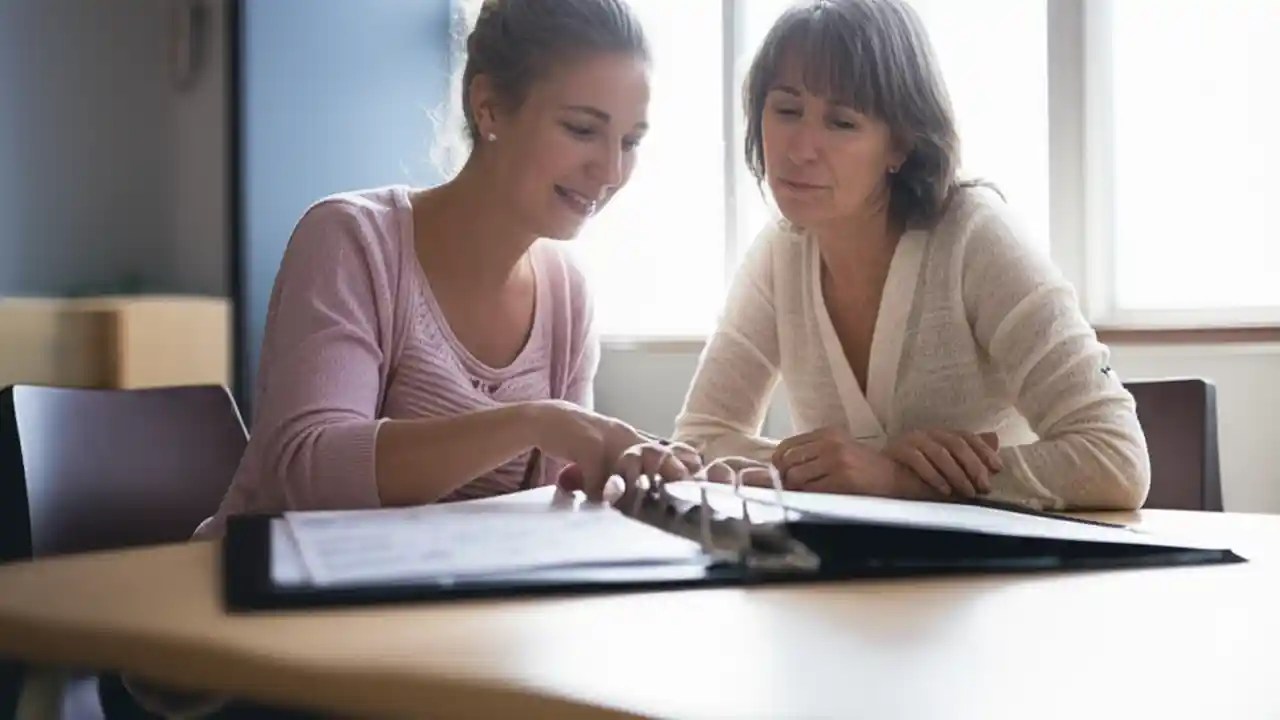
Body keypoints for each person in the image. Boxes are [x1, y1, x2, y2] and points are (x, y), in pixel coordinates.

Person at [195, 0, 697, 538]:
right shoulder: (352, 240)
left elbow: (554, 513)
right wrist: (536, 421)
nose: (611, 170)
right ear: (490, 109)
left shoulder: (568, 293)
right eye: (581, 129)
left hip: (430, 610)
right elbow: (307, 476)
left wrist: (629, 470)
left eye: (631, 141)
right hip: (259, 606)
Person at [672, 0, 1150, 511]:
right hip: (842, 582)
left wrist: (900, 479)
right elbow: (699, 439)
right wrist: (834, 469)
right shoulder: (779, 253)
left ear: (899, 145)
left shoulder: (976, 237)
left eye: (841, 122)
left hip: (994, 582)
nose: (800, 148)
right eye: (786, 110)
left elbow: (1117, 458)